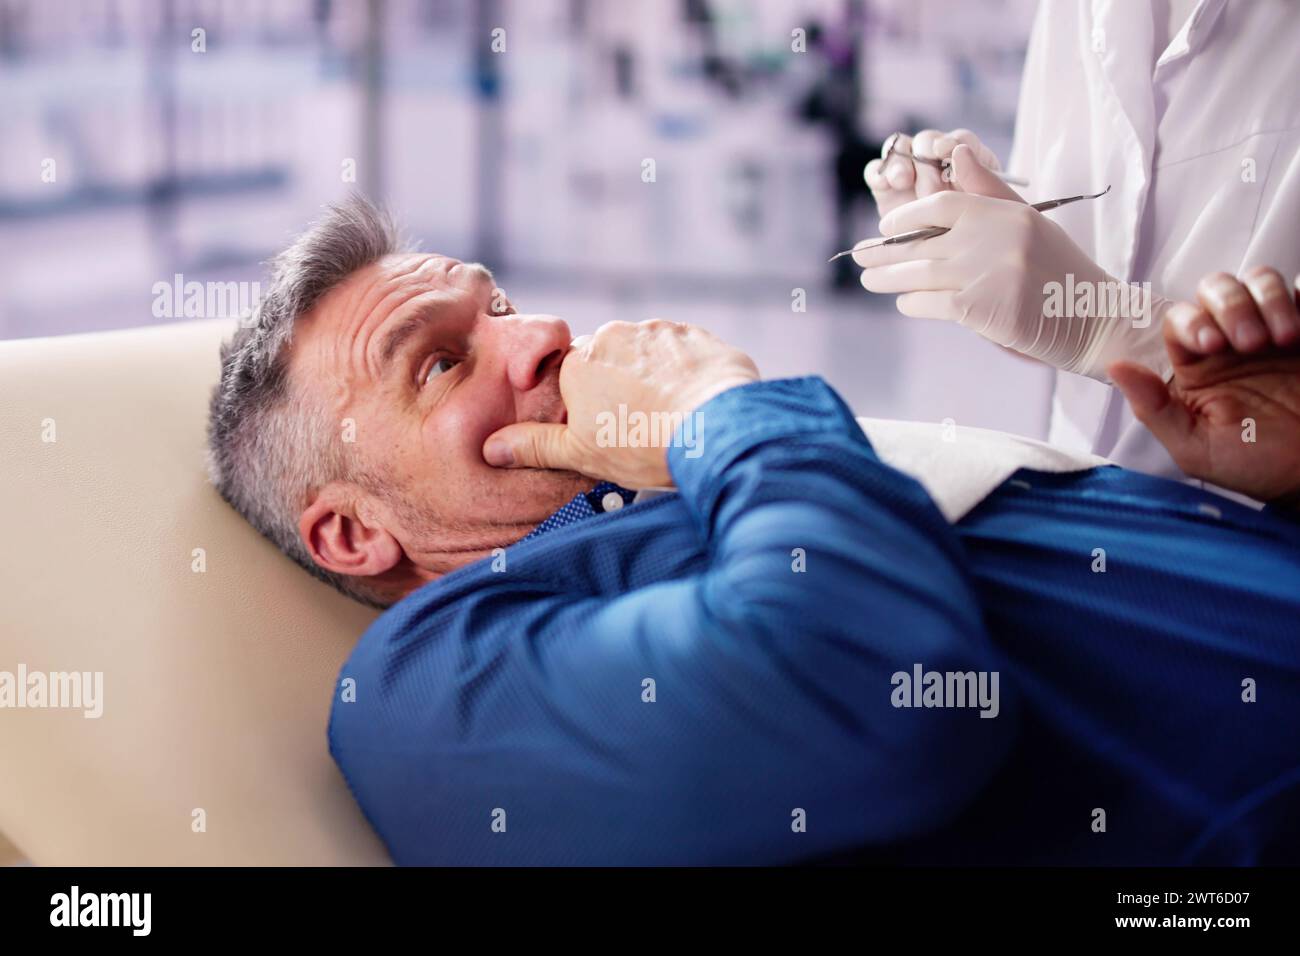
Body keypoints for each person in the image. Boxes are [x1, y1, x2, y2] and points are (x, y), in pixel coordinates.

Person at [208, 198, 1300, 865]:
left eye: (498, 306)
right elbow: (864, 694)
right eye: (440, 360)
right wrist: (716, 413)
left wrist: (1266, 480)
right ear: (353, 535)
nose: (538, 334)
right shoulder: (423, 684)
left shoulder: (707, 487)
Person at [859, 0, 1300, 479]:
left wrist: (1111, 327)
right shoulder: (1070, 12)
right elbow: (1049, 317)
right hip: (1080, 500)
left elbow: (1079, 318)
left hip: (1249, 532)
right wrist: (973, 246)